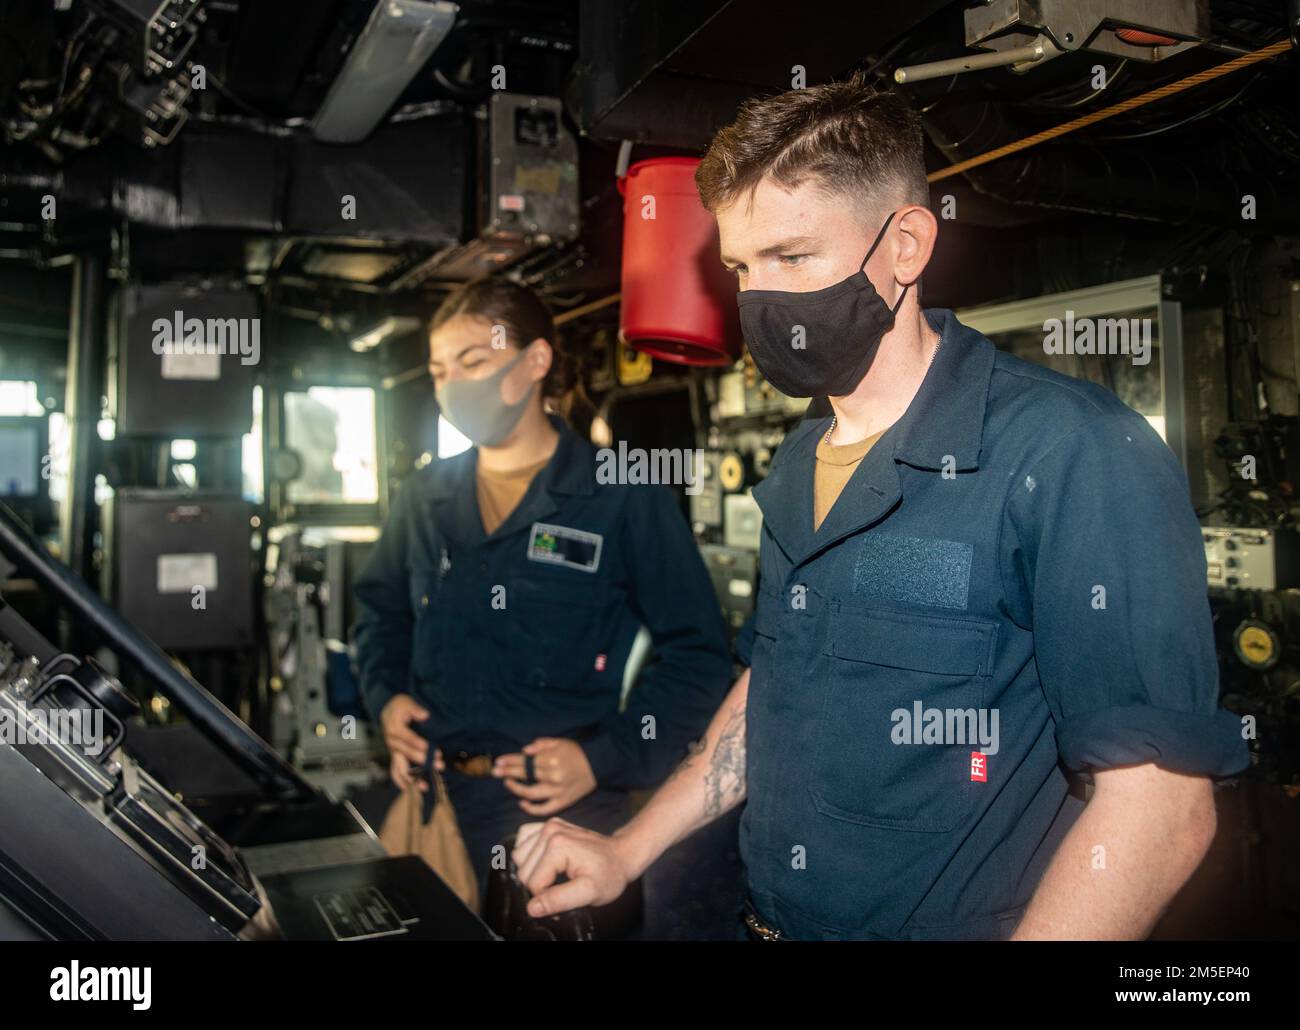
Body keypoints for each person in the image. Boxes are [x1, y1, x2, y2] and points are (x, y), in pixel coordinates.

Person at [509, 75, 1250, 940]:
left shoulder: (1071, 450)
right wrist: (629, 848)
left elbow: (1158, 809)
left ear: (906, 245)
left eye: (794, 257)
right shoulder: (800, 458)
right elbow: (775, 683)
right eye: (742, 267)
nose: (760, 299)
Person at [352, 278, 733, 912]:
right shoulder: (426, 497)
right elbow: (379, 611)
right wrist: (386, 698)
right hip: (436, 806)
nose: (452, 386)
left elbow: (698, 657)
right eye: (440, 370)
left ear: (534, 361)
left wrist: (606, 757)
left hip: (559, 820)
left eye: (472, 361)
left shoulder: (621, 496)